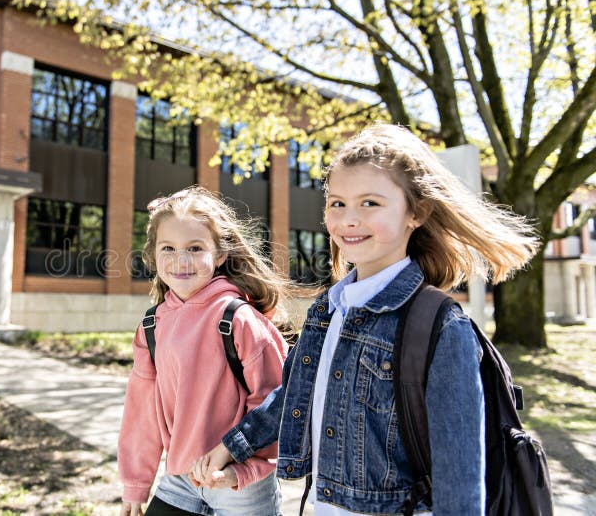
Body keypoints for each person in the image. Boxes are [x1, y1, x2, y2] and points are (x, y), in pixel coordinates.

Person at [190, 123, 540, 515]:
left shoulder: (442, 327)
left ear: (416, 212)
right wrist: (230, 448)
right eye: (337, 203)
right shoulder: (328, 309)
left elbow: (460, 483)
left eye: (370, 203)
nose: (348, 219)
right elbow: (292, 397)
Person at [118, 185, 291, 516]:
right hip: (180, 476)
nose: (181, 260)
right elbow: (142, 411)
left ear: (220, 254)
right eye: (168, 248)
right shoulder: (152, 325)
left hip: (239, 483)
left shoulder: (238, 319)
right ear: (153, 254)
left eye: (195, 248)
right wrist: (136, 483)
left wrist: (241, 470)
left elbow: (276, 403)